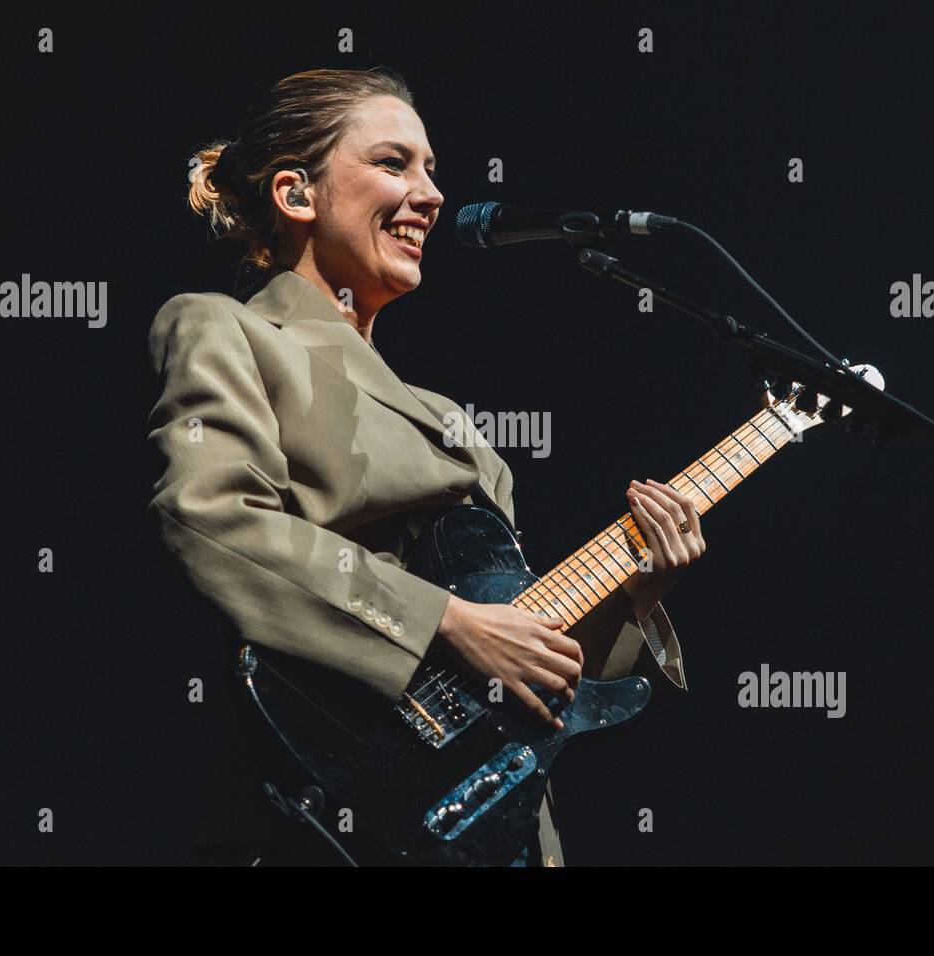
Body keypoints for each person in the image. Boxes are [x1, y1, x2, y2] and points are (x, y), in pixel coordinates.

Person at [145, 67, 705, 866]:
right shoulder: (223, 330)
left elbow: (532, 661)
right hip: (319, 809)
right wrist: (441, 621)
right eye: (393, 163)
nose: (431, 194)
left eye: (432, 170)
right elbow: (209, 518)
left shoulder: (454, 426)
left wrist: (638, 596)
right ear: (296, 195)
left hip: (483, 825)